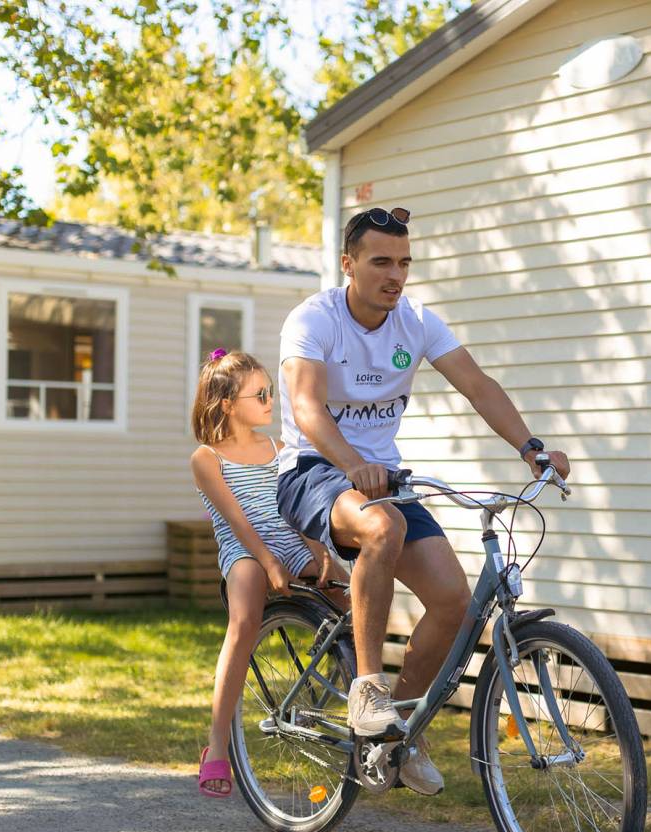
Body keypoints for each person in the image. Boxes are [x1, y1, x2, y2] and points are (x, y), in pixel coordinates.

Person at [276, 206, 570, 796]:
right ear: (348, 264)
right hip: (313, 470)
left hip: (384, 479)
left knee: (455, 603)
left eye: (404, 263)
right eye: (381, 261)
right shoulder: (314, 319)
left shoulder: (415, 321)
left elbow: (478, 384)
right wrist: (349, 462)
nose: (395, 275)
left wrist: (530, 447)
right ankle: (367, 689)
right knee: (382, 528)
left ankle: (400, 728)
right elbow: (307, 407)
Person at [189, 348, 346, 798]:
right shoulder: (207, 458)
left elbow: (299, 510)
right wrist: (268, 561)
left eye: (269, 391)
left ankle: (348, 696)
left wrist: (323, 554)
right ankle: (217, 744)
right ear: (227, 405)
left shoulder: (280, 448)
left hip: (288, 539)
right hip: (245, 547)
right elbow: (238, 520)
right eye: (259, 394)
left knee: (350, 599)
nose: (269, 400)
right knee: (244, 616)